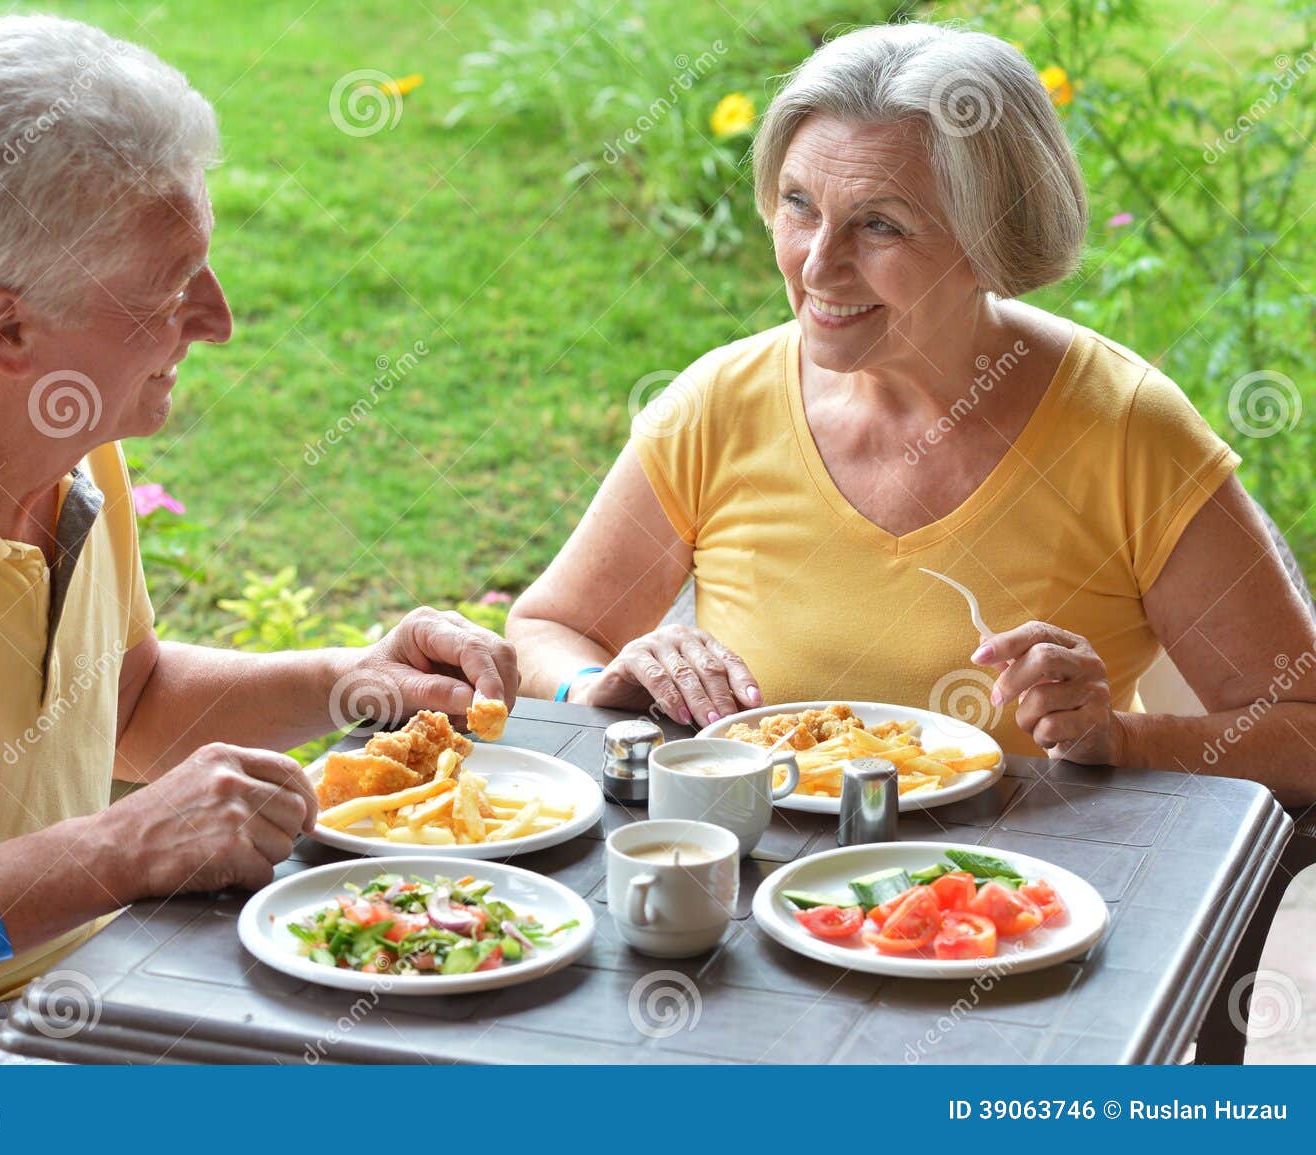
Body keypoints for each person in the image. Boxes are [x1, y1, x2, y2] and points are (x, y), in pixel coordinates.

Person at [0, 15, 516, 1062]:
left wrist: (352, 680)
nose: (220, 320)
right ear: (6, 328)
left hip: (78, 1002)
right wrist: (110, 854)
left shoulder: (60, 431)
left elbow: (125, 705)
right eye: (170, 288)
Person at [508, 22, 1316, 800]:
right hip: (753, 892)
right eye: (798, 205)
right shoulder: (719, 403)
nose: (819, 265)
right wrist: (592, 682)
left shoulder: (1128, 428)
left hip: (1017, 908)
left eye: (880, 224)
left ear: (992, 240)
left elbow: (1304, 731)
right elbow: (547, 625)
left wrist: (1121, 739)